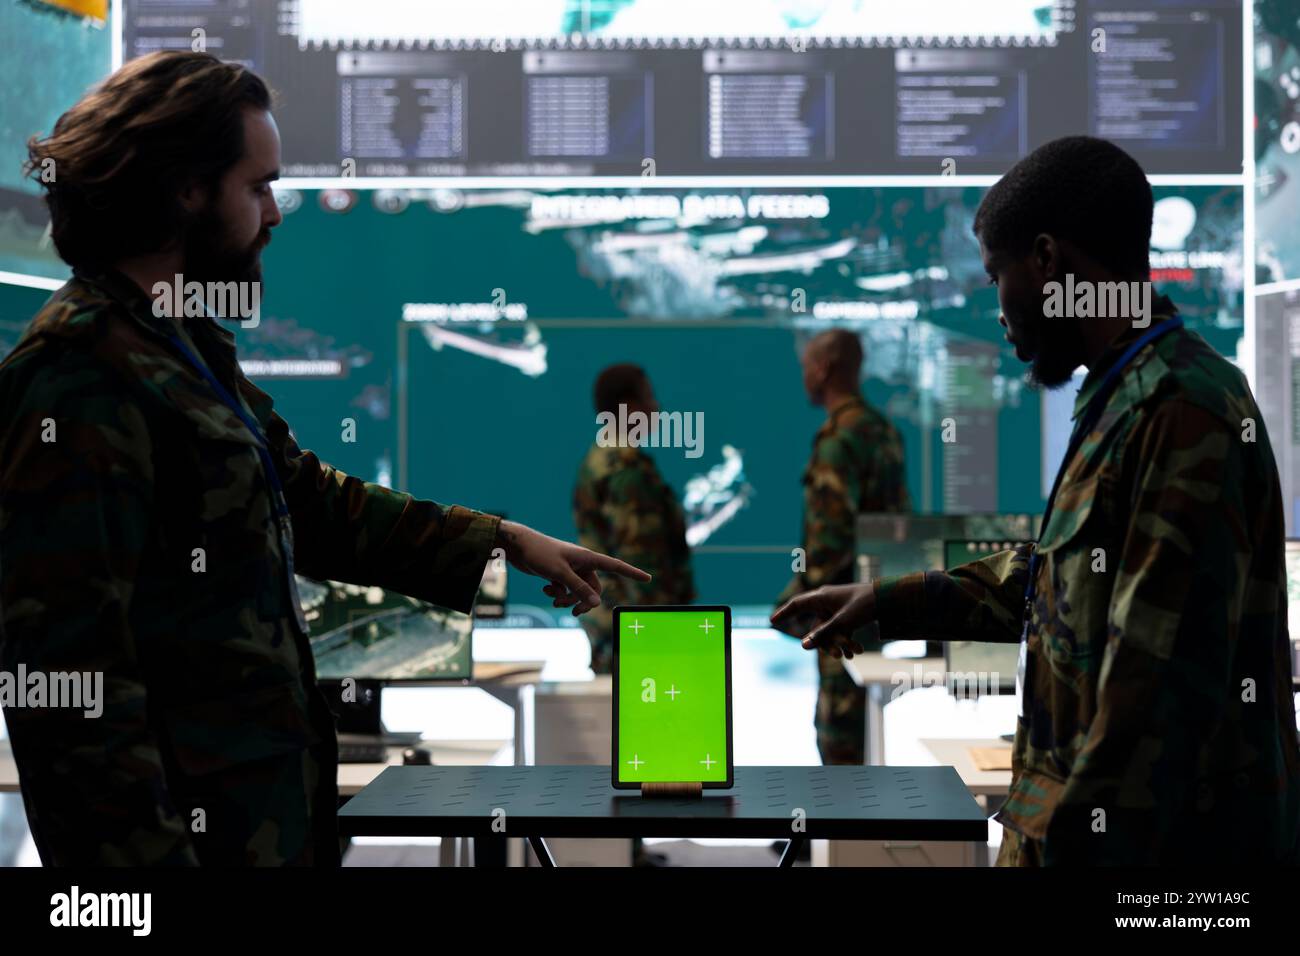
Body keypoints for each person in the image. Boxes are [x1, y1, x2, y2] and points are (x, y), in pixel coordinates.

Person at [0, 51, 648, 866]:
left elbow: (309, 500)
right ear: (185, 190)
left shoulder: (181, 345)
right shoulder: (77, 375)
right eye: (258, 186)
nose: (275, 212)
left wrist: (502, 541)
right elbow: (73, 689)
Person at [773, 135, 1300, 865]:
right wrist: (883, 601)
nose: (996, 309)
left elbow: (1154, 696)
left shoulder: (1181, 411)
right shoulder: (1129, 397)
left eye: (997, 277)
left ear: (1048, 262)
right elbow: (1064, 577)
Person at [774, 329, 910, 765]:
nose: (803, 377)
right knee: (866, 730)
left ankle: (839, 829)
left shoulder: (838, 440)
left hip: (840, 618)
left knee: (840, 742)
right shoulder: (883, 431)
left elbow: (827, 544)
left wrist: (801, 602)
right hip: (880, 605)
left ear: (824, 368)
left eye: (805, 367)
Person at [573, 364, 696, 674]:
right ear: (628, 407)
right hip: (637, 634)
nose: (656, 407)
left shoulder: (601, 459)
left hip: (618, 626)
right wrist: (665, 635)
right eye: (649, 398)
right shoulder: (625, 470)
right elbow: (640, 567)